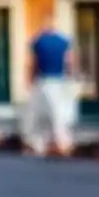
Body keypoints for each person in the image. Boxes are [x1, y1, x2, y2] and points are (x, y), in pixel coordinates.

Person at [25, 13, 76, 155]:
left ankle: (40, 143)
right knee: (59, 113)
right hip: (60, 80)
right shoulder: (64, 41)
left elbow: (33, 63)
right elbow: (69, 62)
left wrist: (30, 80)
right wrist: (70, 78)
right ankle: (63, 143)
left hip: (44, 80)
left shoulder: (38, 41)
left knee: (40, 113)